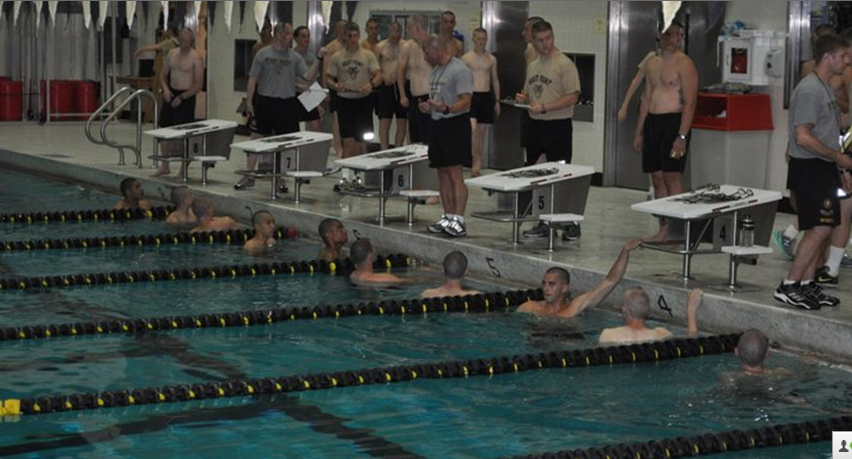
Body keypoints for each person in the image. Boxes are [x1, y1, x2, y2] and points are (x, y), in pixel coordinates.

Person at [773, 33, 852, 311]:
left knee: (822, 227)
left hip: (823, 166)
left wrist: (839, 167)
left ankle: (806, 286)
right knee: (819, 229)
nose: (848, 61)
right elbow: (803, 137)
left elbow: (829, 131)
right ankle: (789, 285)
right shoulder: (809, 90)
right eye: (844, 56)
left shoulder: (825, 87)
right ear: (829, 57)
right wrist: (837, 157)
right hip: (809, 167)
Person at [235, 22, 325, 191]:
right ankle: (248, 175)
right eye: (290, 34)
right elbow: (253, 78)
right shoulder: (262, 54)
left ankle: (279, 179)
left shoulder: (295, 57)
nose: (292, 37)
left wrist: (319, 59)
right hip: (265, 101)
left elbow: (307, 76)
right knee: (256, 138)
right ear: (279, 35)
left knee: (284, 143)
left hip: (286, 104)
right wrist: (249, 102)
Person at [632, 21, 699, 243]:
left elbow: (690, 103)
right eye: (669, 35)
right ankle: (664, 229)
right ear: (658, 35)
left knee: (672, 177)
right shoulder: (651, 63)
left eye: (678, 35)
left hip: (674, 123)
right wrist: (639, 131)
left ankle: (678, 231)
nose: (674, 40)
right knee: (657, 178)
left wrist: (681, 136)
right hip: (653, 123)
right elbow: (646, 99)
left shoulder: (685, 64)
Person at [516, 20, 581, 241]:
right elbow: (531, 92)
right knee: (538, 175)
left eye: (548, 39)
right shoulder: (533, 65)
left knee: (560, 176)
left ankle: (571, 223)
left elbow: (573, 96)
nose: (545, 44)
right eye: (540, 40)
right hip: (536, 126)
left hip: (557, 126)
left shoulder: (564, 64)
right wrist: (524, 99)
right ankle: (543, 221)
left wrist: (545, 107)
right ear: (533, 41)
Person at [420, 36, 473, 238]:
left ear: (437, 49)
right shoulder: (436, 70)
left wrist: (448, 108)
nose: (425, 55)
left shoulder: (459, 70)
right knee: (442, 172)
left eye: (426, 52)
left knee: (455, 174)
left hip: (455, 125)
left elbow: (466, 101)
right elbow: (439, 100)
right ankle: (448, 216)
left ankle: (459, 220)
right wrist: (428, 107)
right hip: (438, 124)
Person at [518, 238, 642, 317]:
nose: (545, 288)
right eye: (544, 283)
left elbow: (610, 281)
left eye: (552, 284)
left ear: (564, 288)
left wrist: (625, 251)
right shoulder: (530, 307)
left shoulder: (574, 307)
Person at [325, 22, 382, 163]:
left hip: (363, 101)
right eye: (349, 36)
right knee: (348, 141)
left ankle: (361, 175)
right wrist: (335, 85)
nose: (352, 39)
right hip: (345, 101)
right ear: (344, 36)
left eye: (355, 35)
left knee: (363, 140)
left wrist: (371, 84)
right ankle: (346, 177)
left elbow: (379, 75)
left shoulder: (368, 55)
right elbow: (328, 78)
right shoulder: (337, 57)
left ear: (359, 35)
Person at [152, 26, 205, 178]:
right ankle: (165, 165)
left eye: (188, 41)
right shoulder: (172, 54)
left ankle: (183, 169)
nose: (185, 44)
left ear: (192, 40)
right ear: (179, 39)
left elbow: (198, 85)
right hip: (171, 93)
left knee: (184, 134)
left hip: (186, 96)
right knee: (164, 130)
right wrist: (166, 90)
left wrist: (182, 98)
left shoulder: (196, 57)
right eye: (182, 40)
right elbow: (163, 75)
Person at [599, 288, 701, 345]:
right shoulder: (662, 334)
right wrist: (691, 311)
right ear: (648, 309)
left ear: (624, 309)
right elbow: (692, 342)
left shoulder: (608, 335)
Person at [462, 28, 500, 177]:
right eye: (478, 39)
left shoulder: (491, 59)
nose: (481, 42)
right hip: (471, 97)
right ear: (473, 39)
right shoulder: (466, 58)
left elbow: (495, 80)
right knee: (472, 131)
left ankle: (477, 165)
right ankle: (472, 159)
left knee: (481, 134)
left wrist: (497, 100)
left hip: (485, 97)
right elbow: (460, 79)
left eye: (484, 39)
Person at [398, 14, 434, 145]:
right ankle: (417, 165)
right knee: (415, 138)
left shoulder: (433, 44)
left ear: (417, 28)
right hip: (414, 97)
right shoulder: (408, 47)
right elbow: (400, 71)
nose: (407, 30)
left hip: (429, 96)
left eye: (409, 27)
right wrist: (402, 95)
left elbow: (443, 71)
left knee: (429, 137)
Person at [374, 22, 408, 150]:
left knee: (402, 120)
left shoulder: (405, 46)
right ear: (389, 31)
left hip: (402, 87)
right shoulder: (380, 47)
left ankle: (399, 148)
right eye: (394, 34)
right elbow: (374, 68)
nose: (396, 37)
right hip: (386, 87)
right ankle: (384, 149)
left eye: (398, 34)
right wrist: (382, 76)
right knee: (385, 120)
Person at [324, 19, 349, 158]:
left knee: (348, 117)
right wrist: (326, 89)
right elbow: (326, 70)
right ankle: (339, 147)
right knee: (337, 118)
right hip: (335, 86)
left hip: (349, 86)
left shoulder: (351, 46)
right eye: (343, 29)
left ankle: (348, 146)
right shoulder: (332, 47)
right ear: (338, 30)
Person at [294, 25, 324, 133]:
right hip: (294, 95)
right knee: (294, 128)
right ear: (296, 38)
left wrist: (318, 104)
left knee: (316, 127)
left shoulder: (312, 58)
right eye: (303, 36)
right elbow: (285, 79)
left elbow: (313, 81)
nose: (306, 39)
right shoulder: (291, 56)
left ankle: (316, 150)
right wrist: (298, 85)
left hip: (309, 95)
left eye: (308, 36)